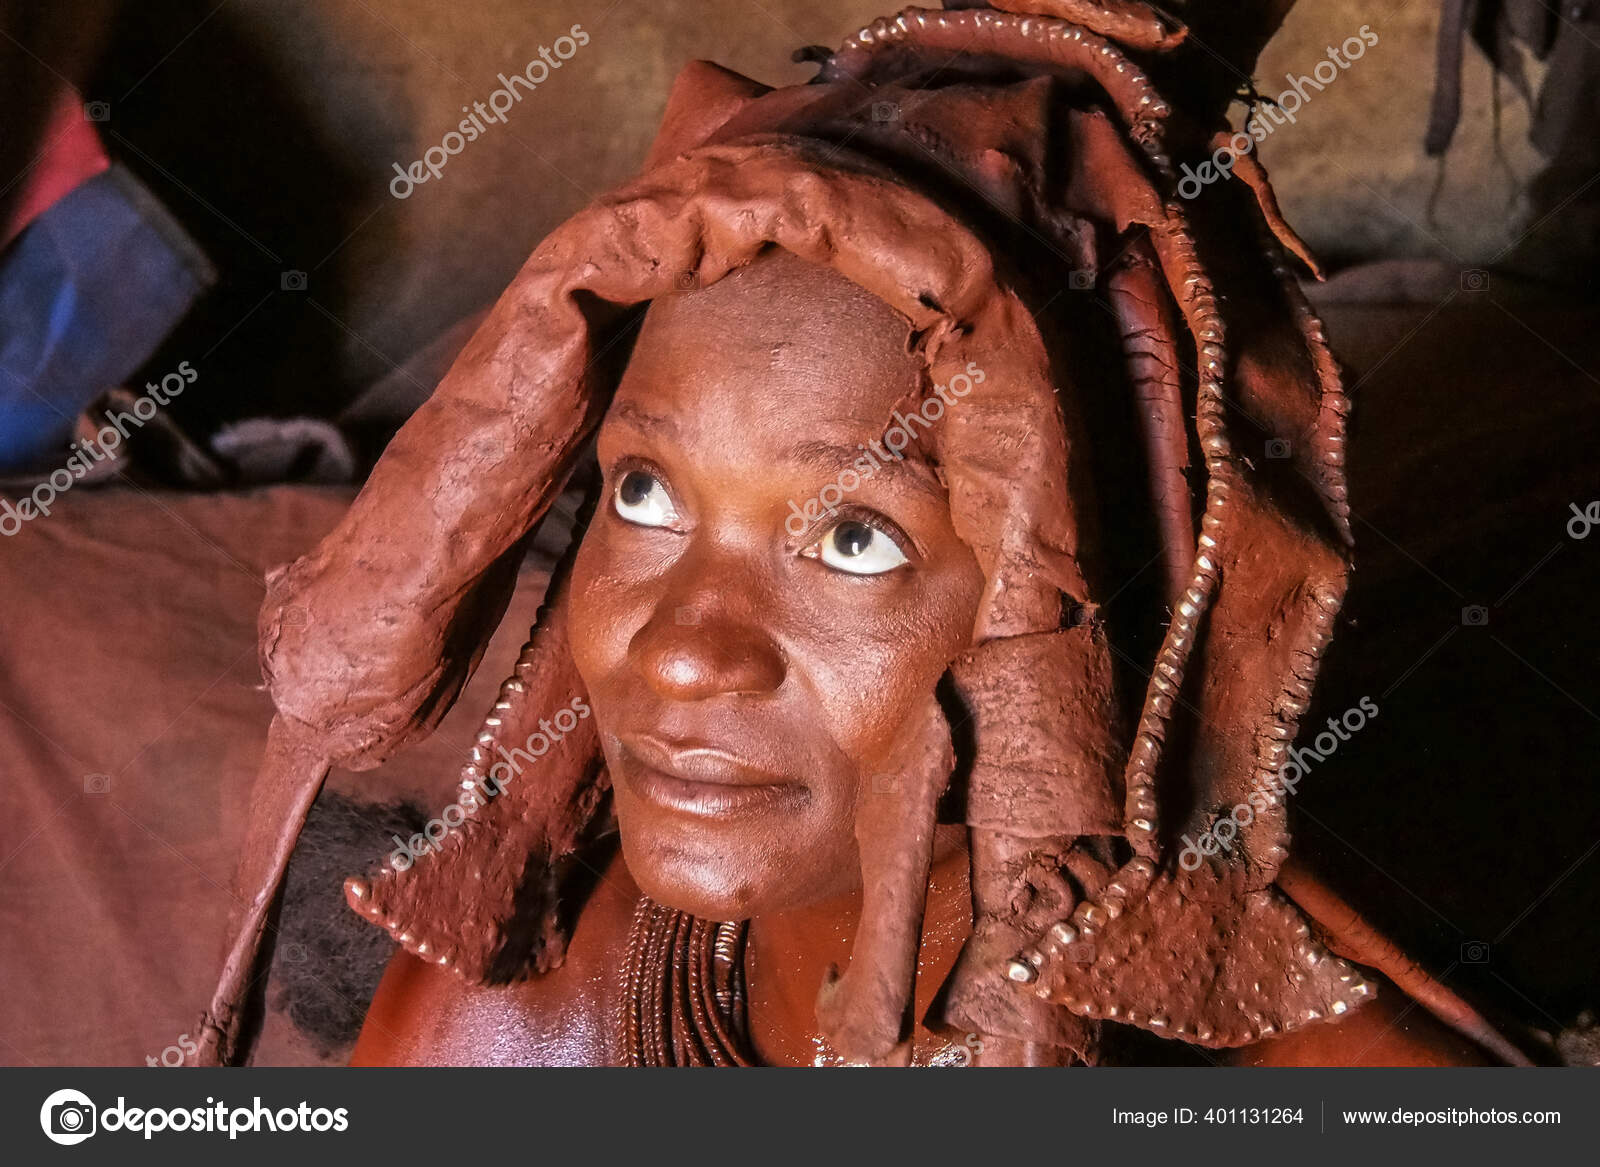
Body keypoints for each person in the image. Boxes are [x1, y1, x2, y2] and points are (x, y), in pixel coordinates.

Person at [198, 0, 1529, 1067]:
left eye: (852, 541)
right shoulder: (519, 1007)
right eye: (645, 495)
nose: (678, 657)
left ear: (1092, 614)